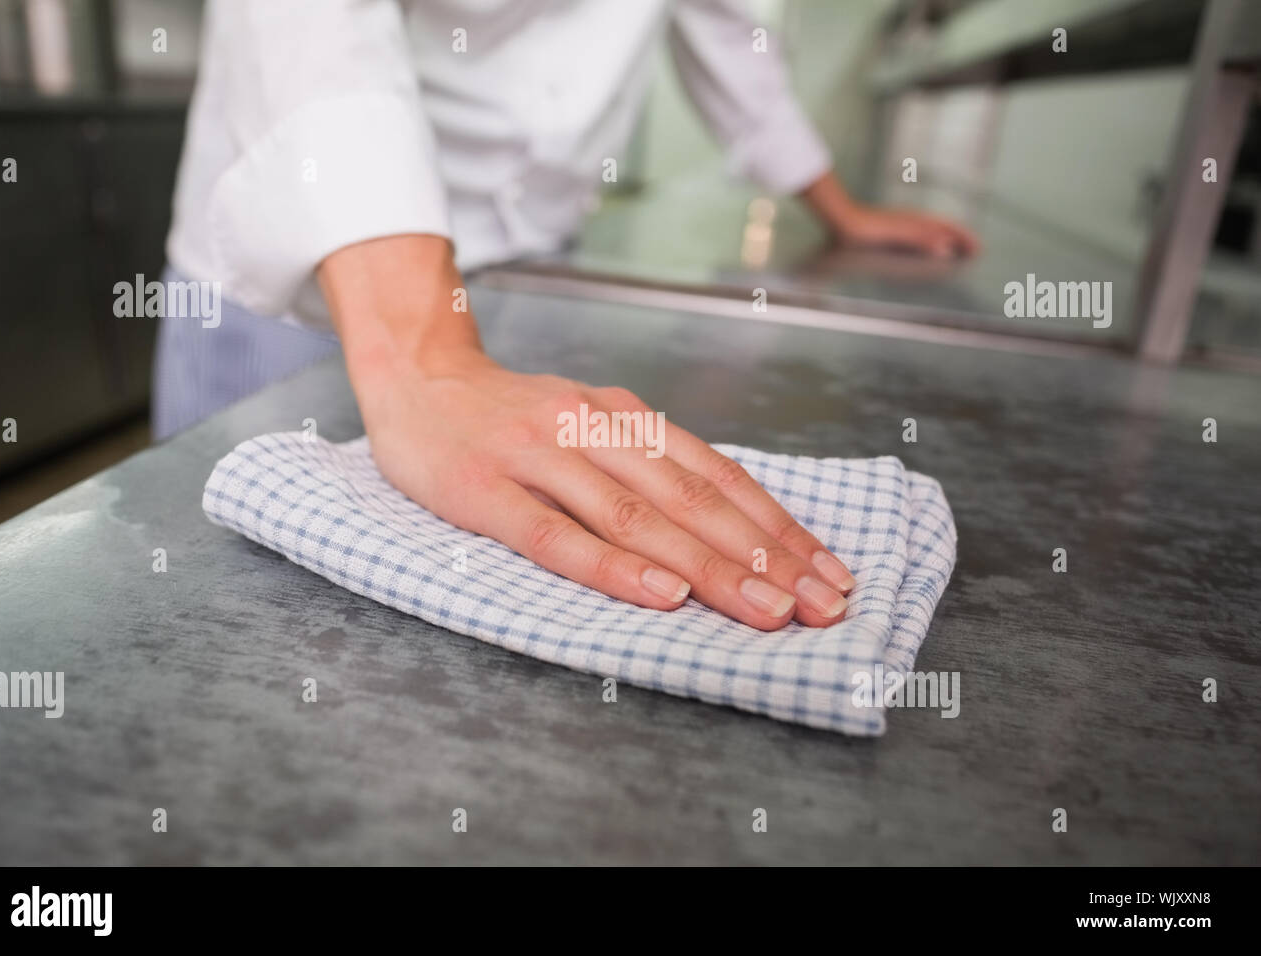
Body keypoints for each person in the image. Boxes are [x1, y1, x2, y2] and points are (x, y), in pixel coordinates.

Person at [157, 0, 979, 632]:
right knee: (224, 611)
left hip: (528, 260)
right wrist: (428, 360)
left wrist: (837, 208)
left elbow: (733, 37)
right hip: (300, 248)